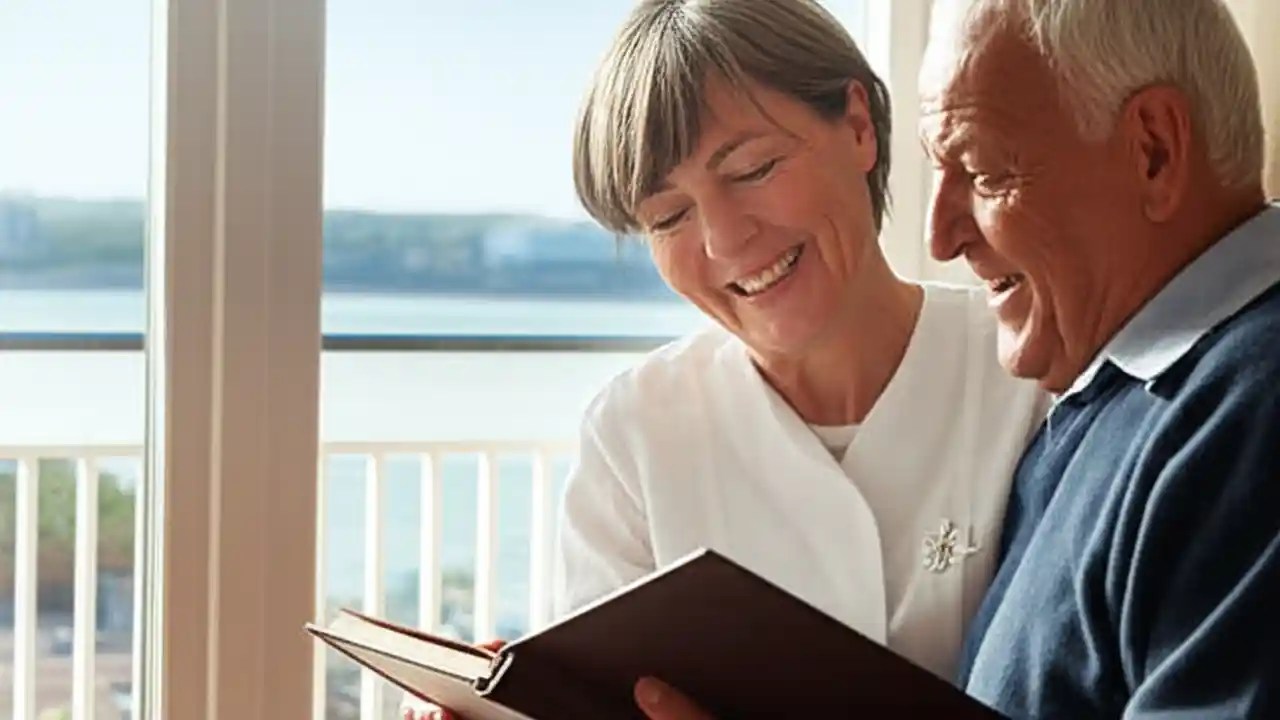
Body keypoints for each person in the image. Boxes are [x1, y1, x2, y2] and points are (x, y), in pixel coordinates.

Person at [631, 0, 1280, 718]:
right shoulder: (1118, 402)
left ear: (1153, 150)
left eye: (982, 171)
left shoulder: (1250, 419)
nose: (941, 237)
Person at [403, 0, 1046, 717]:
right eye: (669, 217)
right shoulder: (634, 436)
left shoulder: (1032, 378)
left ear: (858, 127)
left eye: (752, 168)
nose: (724, 241)